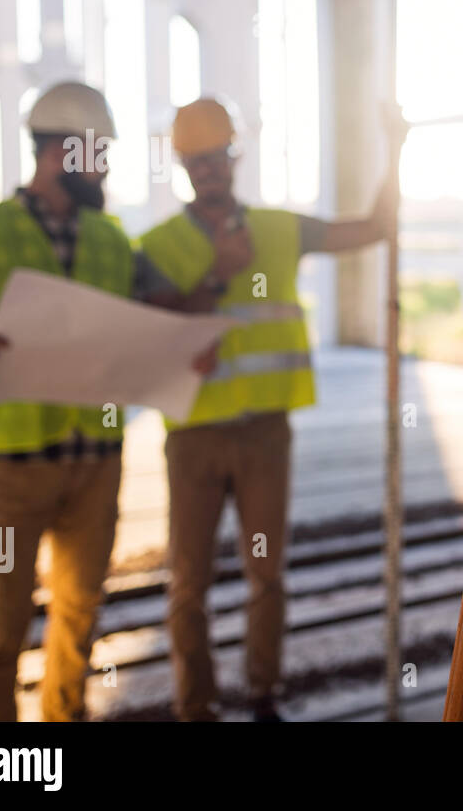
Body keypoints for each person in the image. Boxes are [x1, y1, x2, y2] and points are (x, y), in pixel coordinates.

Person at [137, 96, 397, 721]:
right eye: (195, 161)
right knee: (189, 586)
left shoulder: (281, 229)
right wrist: (217, 278)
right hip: (194, 437)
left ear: (234, 157)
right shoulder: (156, 247)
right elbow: (145, 327)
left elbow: (371, 228)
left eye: (215, 157)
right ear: (182, 166)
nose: (207, 170)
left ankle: (262, 695)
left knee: (265, 576)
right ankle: (195, 706)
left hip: (264, 437)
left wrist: (397, 152)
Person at [0, 81, 133, 721]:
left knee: (79, 616)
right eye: (99, 151)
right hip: (13, 470)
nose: (106, 165)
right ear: (62, 152)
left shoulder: (113, 242)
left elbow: (148, 320)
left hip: (96, 461)